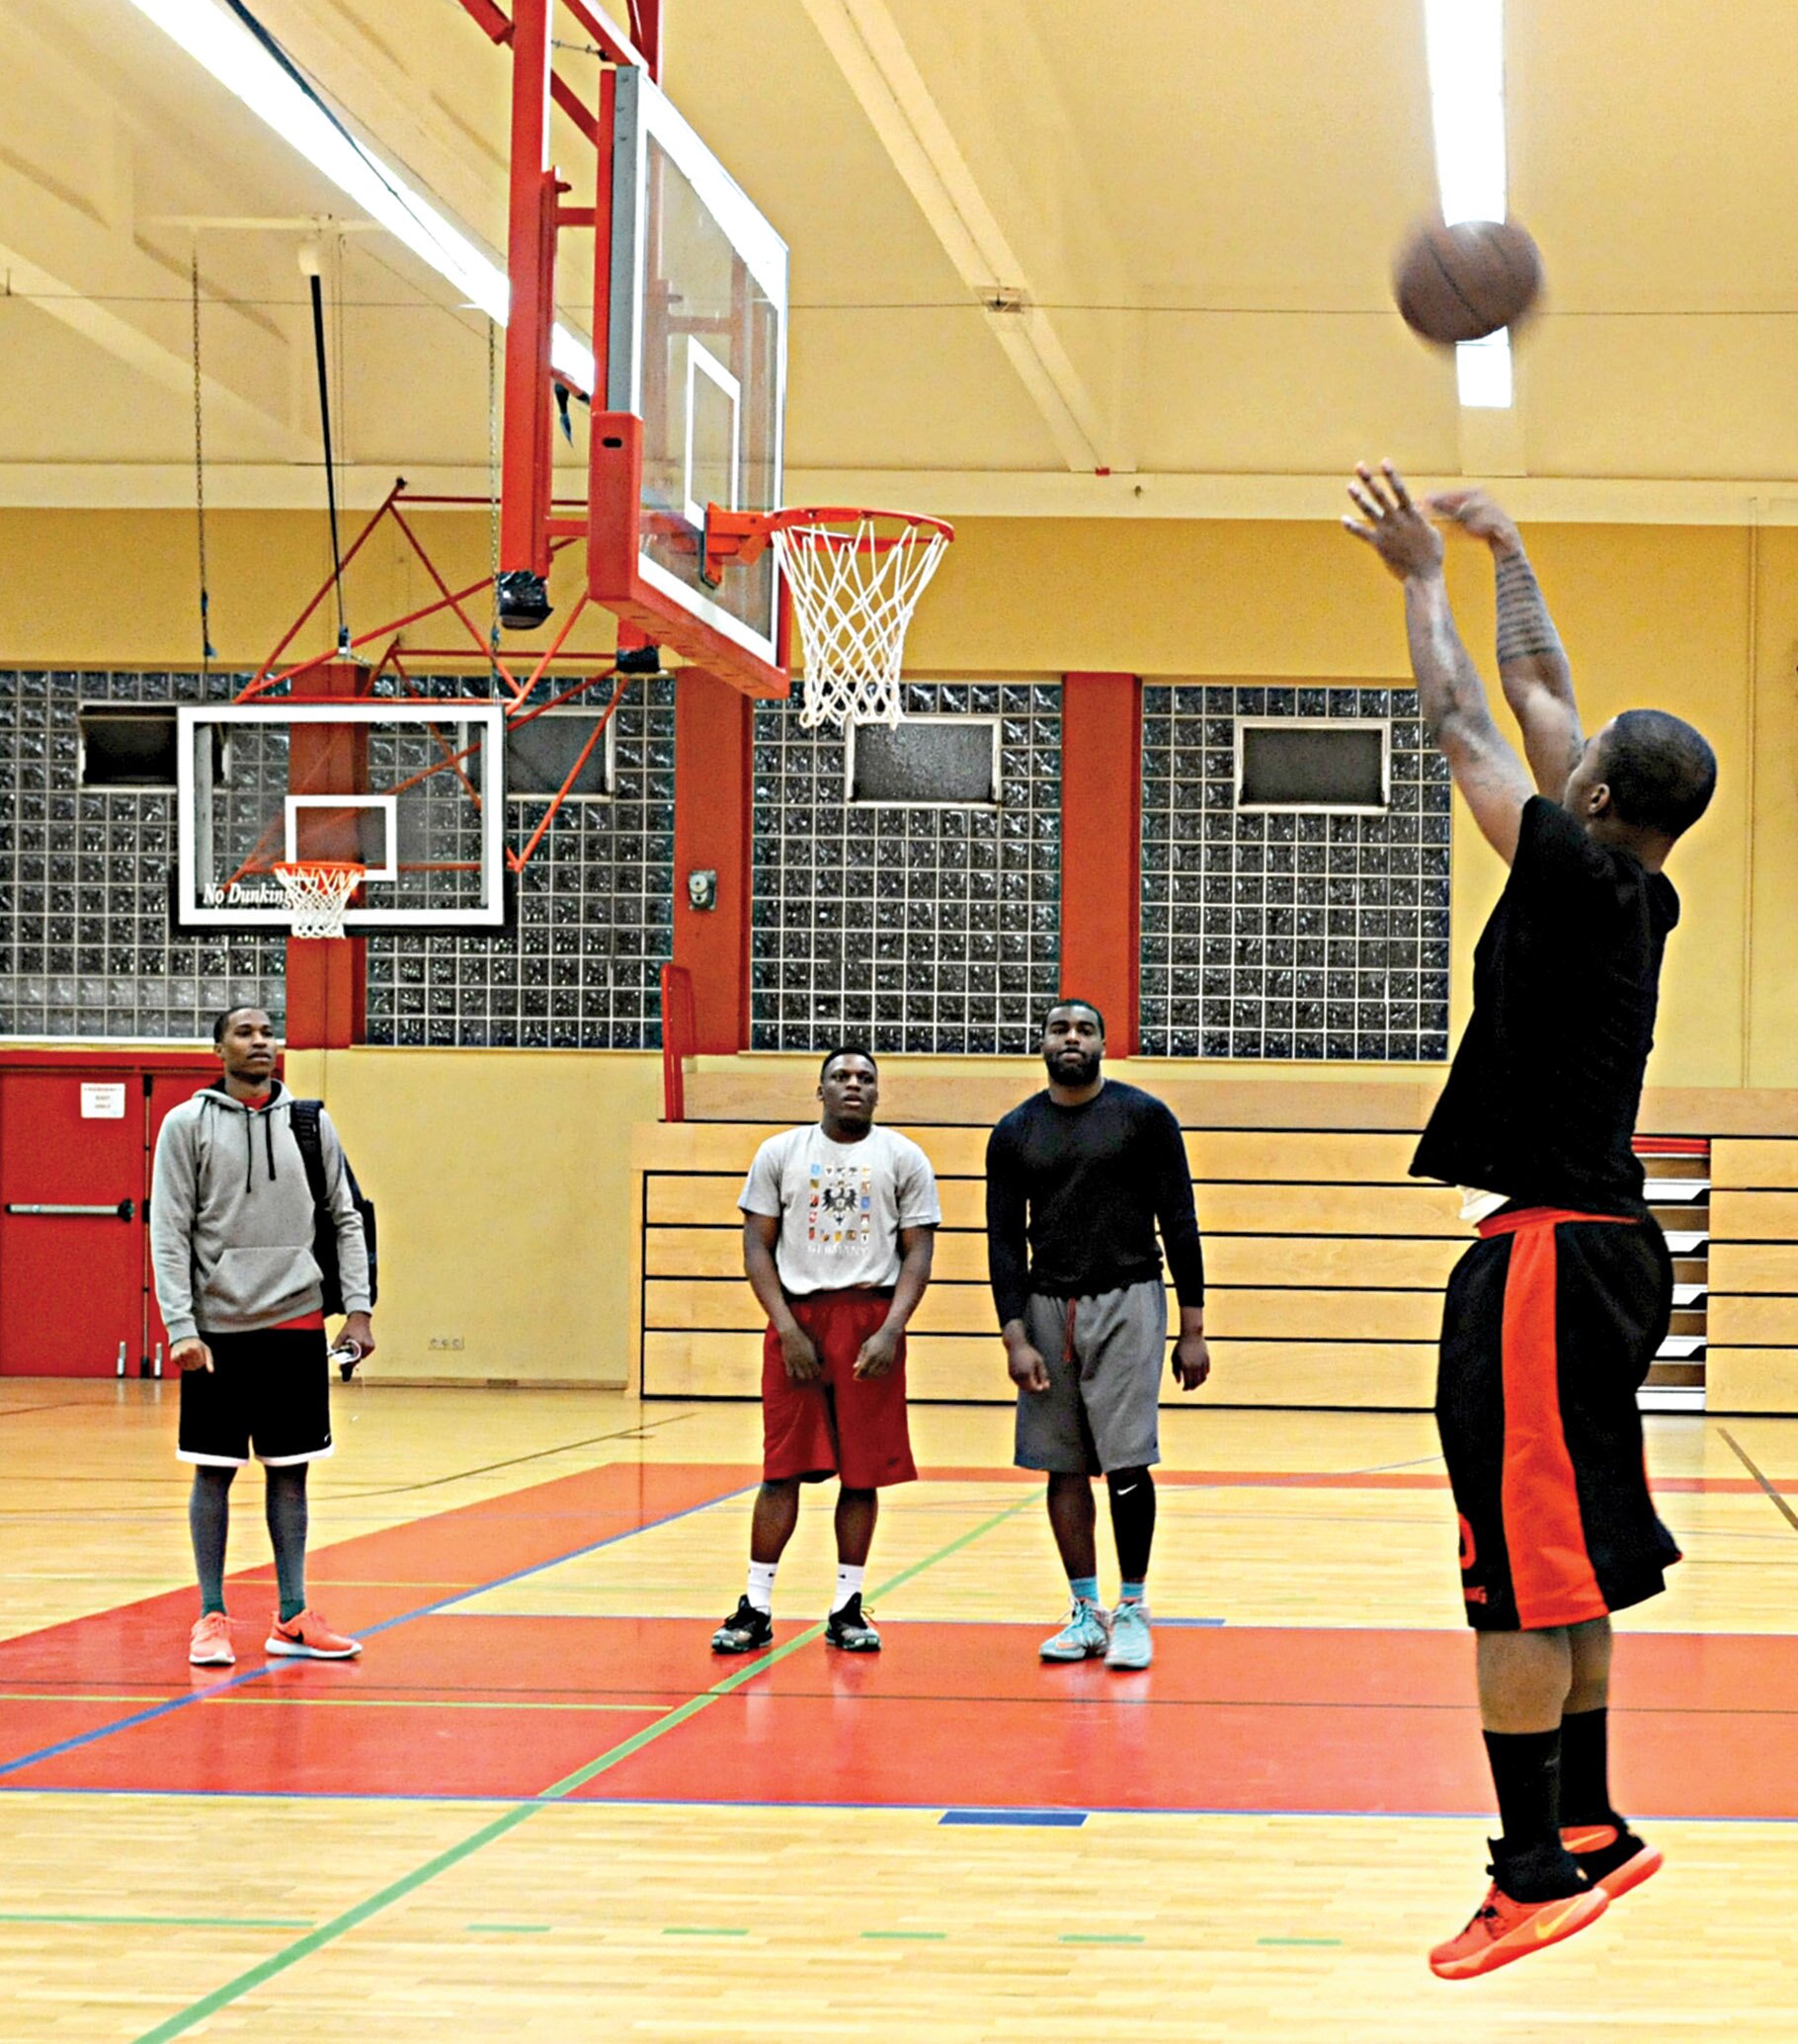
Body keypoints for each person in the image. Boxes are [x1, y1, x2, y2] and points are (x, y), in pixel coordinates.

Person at [1344, 464, 1717, 1980]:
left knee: (1510, 1573)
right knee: (1574, 1565)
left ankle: (1528, 1870)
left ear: (1597, 803)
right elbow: (1549, 688)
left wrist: (1422, 580)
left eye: (1581, 766)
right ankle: (1600, 1824)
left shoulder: (1562, 872)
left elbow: (1467, 717)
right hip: (1603, 1252)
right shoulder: (1635, 884)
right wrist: (1504, 543)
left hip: (1550, 1257)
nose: (1562, 759)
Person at [985, 1001, 1210, 1673]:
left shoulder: (1144, 1117)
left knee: (1127, 1458)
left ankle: (1134, 1606)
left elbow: (1180, 1219)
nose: (1072, 1039)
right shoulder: (1014, 1131)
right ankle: (1087, 1611)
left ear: (1105, 1043)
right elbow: (1002, 1242)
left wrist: (1193, 1329)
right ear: (1043, 1042)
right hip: (1049, 1305)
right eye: (1060, 1029)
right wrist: (1014, 1337)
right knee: (1062, 1463)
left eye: (1085, 1029)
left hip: (1129, 1297)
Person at [150, 1007, 374, 1668]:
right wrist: (180, 1326)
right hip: (219, 1333)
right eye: (244, 1032)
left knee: (292, 1474)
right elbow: (168, 1232)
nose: (260, 1041)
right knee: (214, 1475)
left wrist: (357, 1309)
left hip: (297, 1323)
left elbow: (346, 1217)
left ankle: (293, 1616)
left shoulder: (311, 1123)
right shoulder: (185, 1126)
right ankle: (210, 1616)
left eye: (267, 1031)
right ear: (218, 1047)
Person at [711, 1047, 939, 1656]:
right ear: (820, 1091)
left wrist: (892, 1329)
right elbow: (757, 1247)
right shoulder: (780, 1154)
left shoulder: (903, 1157)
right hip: (798, 1319)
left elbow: (918, 1252)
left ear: (877, 1093)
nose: (853, 1085)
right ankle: (755, 1606)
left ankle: (847, 1606)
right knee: (781, 1467)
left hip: (869, 1317)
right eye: (841, 1077)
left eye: (865, 1078)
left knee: (861, 1473)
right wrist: (785, 1328)